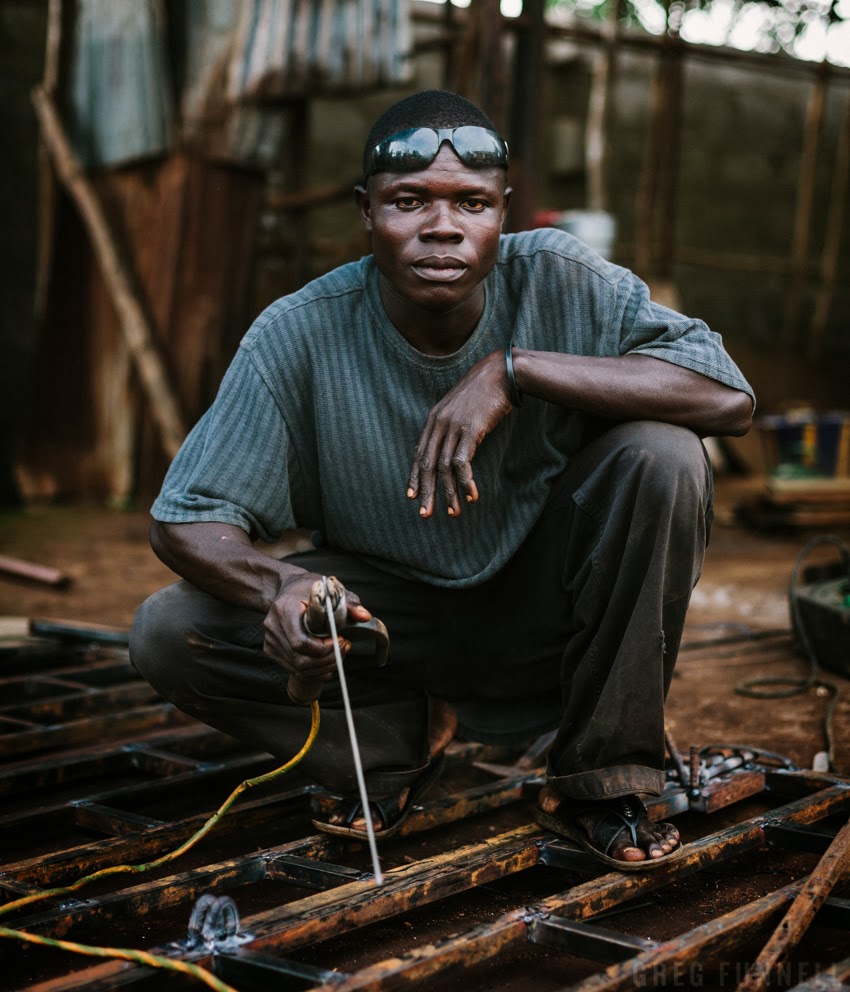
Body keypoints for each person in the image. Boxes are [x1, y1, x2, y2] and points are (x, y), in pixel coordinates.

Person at [130, 89, 754, 870]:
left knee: (665, 455)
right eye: (408, 201)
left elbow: (725, 397)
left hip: (545, 609)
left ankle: (599, 780)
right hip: (385, 627)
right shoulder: (300, 333)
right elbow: (185, 517)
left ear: (503, 214)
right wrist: (278, 588)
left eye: (472, 203)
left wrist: (516, 370)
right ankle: (392, 745)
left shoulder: (559, 279)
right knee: (168, 630)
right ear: (366, 212)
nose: (443, 227)